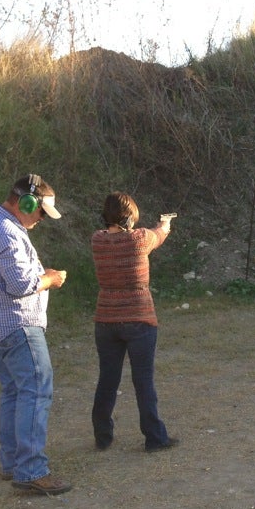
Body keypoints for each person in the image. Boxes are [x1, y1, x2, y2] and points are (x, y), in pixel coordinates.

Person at [0, 174, 71, 495]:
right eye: (41, 212)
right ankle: (30, 470)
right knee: (36, 391)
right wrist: (50, 279)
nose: (42, 219)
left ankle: (12, 462)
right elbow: (21, 285)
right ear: (27, 204)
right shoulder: (7, 233)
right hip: (17, 327)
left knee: (14, 391)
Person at [90, 192, 178, 452]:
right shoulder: (140, 239)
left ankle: (102, 436)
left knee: (107, 379)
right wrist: (165, 226)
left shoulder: (97, 240)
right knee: (143, 381)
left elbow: (118, 235)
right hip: (139, 319)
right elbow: (158, 234)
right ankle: (155, 437)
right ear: (130, 218)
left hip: (105, 319)